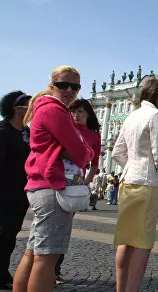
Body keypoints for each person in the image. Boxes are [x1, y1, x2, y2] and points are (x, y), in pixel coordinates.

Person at [14, 66, 94, 292]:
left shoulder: (47, 107)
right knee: (47, 257)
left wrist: (75, 149)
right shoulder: (54, 110)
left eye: (75, 87)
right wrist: (83, 150)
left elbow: (75, 149)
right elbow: (81, 152)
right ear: (51, 86)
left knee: (33, 252)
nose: (69, 90)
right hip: (53, 186)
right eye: (63, 85)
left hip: (43, 185)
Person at [112, 76, 158, 292]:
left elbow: (118, 152)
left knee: (125, 240)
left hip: (128, 181)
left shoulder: (132, 116)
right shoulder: (156, 116)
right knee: (143, 243)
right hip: (146, 183)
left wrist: (131, 166)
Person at [55, 99, 103, 285]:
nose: (76, 115)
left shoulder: (93, 136)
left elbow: (95, 163)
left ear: (88, 114)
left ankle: (55, 270)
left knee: (64, 226)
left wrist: (86, 182)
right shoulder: (66, 130)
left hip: (75, 181)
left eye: (80, 111)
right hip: (56, 176)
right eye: (73, 111)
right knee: (51, 224)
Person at [0, 91, 31, 290]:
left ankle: (3, 271)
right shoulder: (3, 131)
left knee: (11, 233)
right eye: (27, 106)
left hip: (22, 191)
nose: (31, 110)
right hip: (4, 190)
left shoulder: (27, 132)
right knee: (3, 233)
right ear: (16, 109)